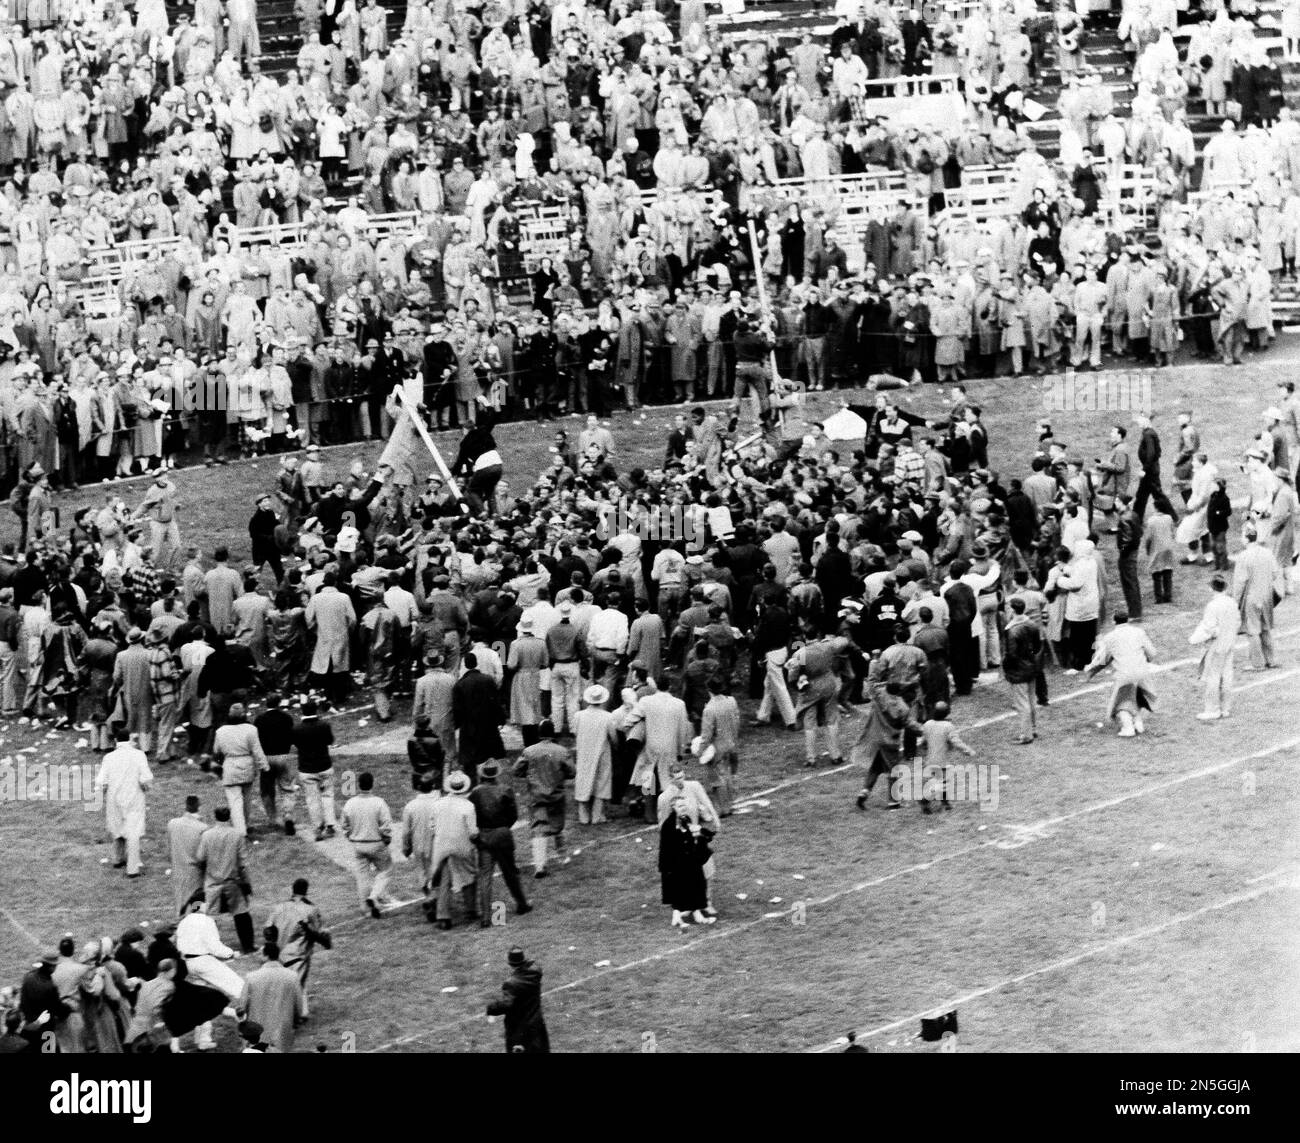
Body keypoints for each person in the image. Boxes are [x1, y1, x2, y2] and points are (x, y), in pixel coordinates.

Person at [470, 761, 532, 924]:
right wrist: (503, 828)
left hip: (484, 837)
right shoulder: (506, 790)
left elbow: (472, 816)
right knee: (510, 873)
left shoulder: (475, 792)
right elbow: (513, 816)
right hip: (503, 836)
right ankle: (522, 904)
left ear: (482, 774)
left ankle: (485, 917)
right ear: (496, 774)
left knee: (485, 876)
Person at [513, 719, 575, 878]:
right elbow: (572, 772)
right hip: (556, 796)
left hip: (536, 797)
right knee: (557, 826)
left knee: (538, 830)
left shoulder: (529, 751)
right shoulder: (562, 751)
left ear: (539, 734)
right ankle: (563, 857)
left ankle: (540, 866)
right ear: (552, 733)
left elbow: (516, 770)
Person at [1084, 611, 1158, 738]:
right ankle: (1138, 723)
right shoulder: (1139, 632)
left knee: (1121, 702)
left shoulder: (1110, 637)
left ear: (1114, 621)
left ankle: (1128, 727)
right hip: (1142, 671)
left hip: (1125, 674)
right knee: (1137, 696)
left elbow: (1102, 659)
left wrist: (1089, 670)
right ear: (1128, 620)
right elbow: (1151, 653)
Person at [264, 879, 331, 1017]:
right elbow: (317, 933)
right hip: (298, 954)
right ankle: (291, 1017)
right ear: (306, 891)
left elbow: (267, 930)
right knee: (295, 986)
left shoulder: (279, 907)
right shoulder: (311, 909)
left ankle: (302, 1013)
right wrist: (326, 942)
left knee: (288, 984)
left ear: (292, 890)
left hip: (278, 954)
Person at [195, 805, 257, 954]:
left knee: (209, 918)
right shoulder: (237, 835)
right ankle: (248, 946)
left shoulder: (207, 835)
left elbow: (200, 858)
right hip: (232, 882)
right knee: (242, 914)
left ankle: (206, 946)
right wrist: (247, 882)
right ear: (229, 817)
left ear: (215, 817)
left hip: (212, 883)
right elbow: (243, 864)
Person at [95, 726, 154, 877]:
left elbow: (101, 781)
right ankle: (132, 868)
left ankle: (117, 858)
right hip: (134, 796)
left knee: (117, 828)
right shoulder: (139, 755)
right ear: (130, 739)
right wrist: (146, 787)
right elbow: (146, 778)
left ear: (115, 741)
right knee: (133, 832)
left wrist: (104, 791)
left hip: (114, 797)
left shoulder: (109, 757)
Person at [340, 771, 394, 919]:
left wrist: (350, 837)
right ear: (372, 784)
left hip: (358, 845)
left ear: (358, 785)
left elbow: (344, 825)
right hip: (376, 843)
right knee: (386, 870)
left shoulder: (350, 803)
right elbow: (386, 825)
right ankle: (374, 896)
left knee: (362, 877)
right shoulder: (379, 802)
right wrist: (386, 839)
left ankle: (365, 908)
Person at [431, 771, 480, 930]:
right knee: (469, 875)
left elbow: (431, 827)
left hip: (442, 845)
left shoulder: (437, 803)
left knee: (444, 880)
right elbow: (473, 831)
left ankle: (443, 917)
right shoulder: (468, 805)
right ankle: (470, 910)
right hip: (462, 845)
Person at [1189, 575, 1242, 721]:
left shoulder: (1212, 606)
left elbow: (1209, 628)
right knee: (1227, 675)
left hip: (1217, 644)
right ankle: (1225, 708)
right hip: (1230, 642)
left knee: (1213, 676)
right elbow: (1237, 622)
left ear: (1211, 588)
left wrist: (1195, 639)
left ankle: (1212, 709)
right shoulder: (1232, 602)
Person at [212, 701, 269, 836]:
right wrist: (264, 766)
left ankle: (240, 830)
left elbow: (216, 750)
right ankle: (246, 824)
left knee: (235, 801)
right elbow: (257, 750)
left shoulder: (220, 731)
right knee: (247, 799)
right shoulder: (251, 729)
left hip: (230, 766)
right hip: (247, 766)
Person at [659, 795, 716, 928]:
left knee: (697, 884)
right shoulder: (668, 825)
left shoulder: (686, 819)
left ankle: (696, 914)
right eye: (680, 806)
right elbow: (669, 848)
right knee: (680, 888)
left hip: (690, 859)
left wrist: (697, 834)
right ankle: (678, 917)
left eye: (684, 805)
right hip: (676, 862)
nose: (683, 808)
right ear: (674, 808)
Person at [1233, 527, 1285, 670]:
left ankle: (1258, 664)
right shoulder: (1267, 553)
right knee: (1266, 628)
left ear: (1246, 538)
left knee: (1253, 630)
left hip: (1252, 597)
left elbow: (1240, 582)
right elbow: (1275, 573)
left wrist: (1235, 602)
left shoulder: (1243, 556)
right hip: (1267, 596)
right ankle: (1271, 660)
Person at [238, 943, 304, 1054]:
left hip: (257, 1032)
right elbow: (299, 1006)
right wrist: (296, 1021)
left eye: (260, 953)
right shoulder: (292, 976)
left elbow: (242, 1006)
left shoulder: (251, 977)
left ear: (266, 956)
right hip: (283, 1030)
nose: (258, 956)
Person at [485, 947, 550, 1053]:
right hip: (536, 1025)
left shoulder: (512, 983)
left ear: (510, 964)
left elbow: (506, 1004)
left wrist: (490, 1008)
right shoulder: (535, 973)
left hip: (519, 1031)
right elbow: (534, 966)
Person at [293, 699, 338, 840]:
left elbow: (296, 744)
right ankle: (330, 825)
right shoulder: (324, 725)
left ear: (302, 710)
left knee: (312, 799)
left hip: (307, 768)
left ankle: (318, 828)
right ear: (316, 710)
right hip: (324, 765)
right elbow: (330, 741)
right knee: (327, 796)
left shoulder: (297, 728)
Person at [1002, 598, 1044, 745]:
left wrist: (1007, 667)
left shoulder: (1011, 630)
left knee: (1022, 703)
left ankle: (1026, 735)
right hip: (1031, 665)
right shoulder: (1032, 624)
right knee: (1032, 699)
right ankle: (1032, 728)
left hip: (1018, 669)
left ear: (1012, 610)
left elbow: (1011, 654)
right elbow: (1038, 646)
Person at [573, 683, 618, 824]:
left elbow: (575, 732)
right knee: (602, 781)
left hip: (584, 752)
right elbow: (613, 737)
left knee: (583, 779)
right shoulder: (608, 717)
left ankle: (583, 815)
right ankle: (597, 815)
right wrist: (615, 746)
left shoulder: (579, 715)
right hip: (602, 751)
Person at [401, 774, 442, 920]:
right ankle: (432, 899)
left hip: (418, 845)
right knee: (436, 874)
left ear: (418, 788)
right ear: (432, 787)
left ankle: (429, 897)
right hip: (435, 844)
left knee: (423, 873)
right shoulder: (438, 803)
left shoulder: (410, 806)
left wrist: (406, 848)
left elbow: (406, 831)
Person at [698, 675, 740, 816]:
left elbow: (707, 734)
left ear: (709, 690)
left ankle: (723, 808)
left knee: (718, 778)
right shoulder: (731, 701)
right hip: (731, 742)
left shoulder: (709, 709)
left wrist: (700, 750)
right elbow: (737, 720)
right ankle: (730, 804)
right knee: (728, 774)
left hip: (717, 747)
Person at [167, 796, 207, 916]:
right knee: (196, 904)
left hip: (178, 870)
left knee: (180, 904)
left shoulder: (172, 823)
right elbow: (203, 855)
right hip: (195, 873)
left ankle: (181, 925)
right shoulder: (202, 828)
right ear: (199, 807)